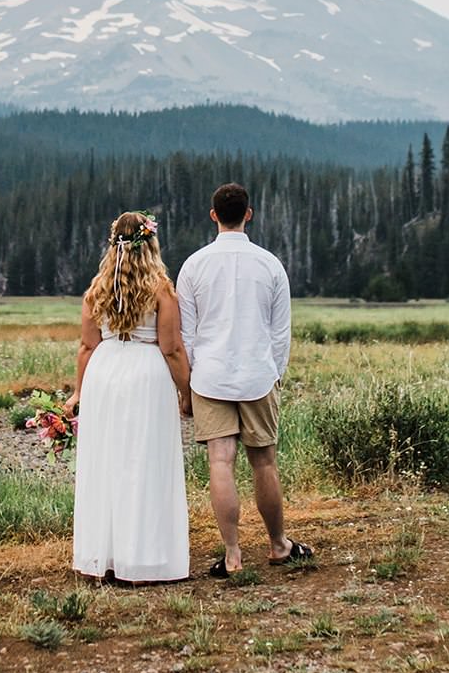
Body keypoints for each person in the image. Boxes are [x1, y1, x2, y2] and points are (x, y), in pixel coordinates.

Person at [175, 182, 314, 578]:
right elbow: (280, 332)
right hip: (257, 375)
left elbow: (186, 335)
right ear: (248, 214)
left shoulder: (194, 266)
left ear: (214, 214)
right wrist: (276, 375)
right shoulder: (270, 264)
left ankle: (233, 553)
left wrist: (187, 387)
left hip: (209, 377)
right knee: (264, 463)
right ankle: (277, 544)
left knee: (220, 462)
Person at [66, 211, 191, 583]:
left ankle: (101, 557)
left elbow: (88, 346)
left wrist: (79, 392)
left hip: (105, 373)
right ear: (151, 243)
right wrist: (186, 391)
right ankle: (142, 560)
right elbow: (171, 348)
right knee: (143, 463)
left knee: (105, 462)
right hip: (146, 375)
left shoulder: (98, 288)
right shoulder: (160, 289)